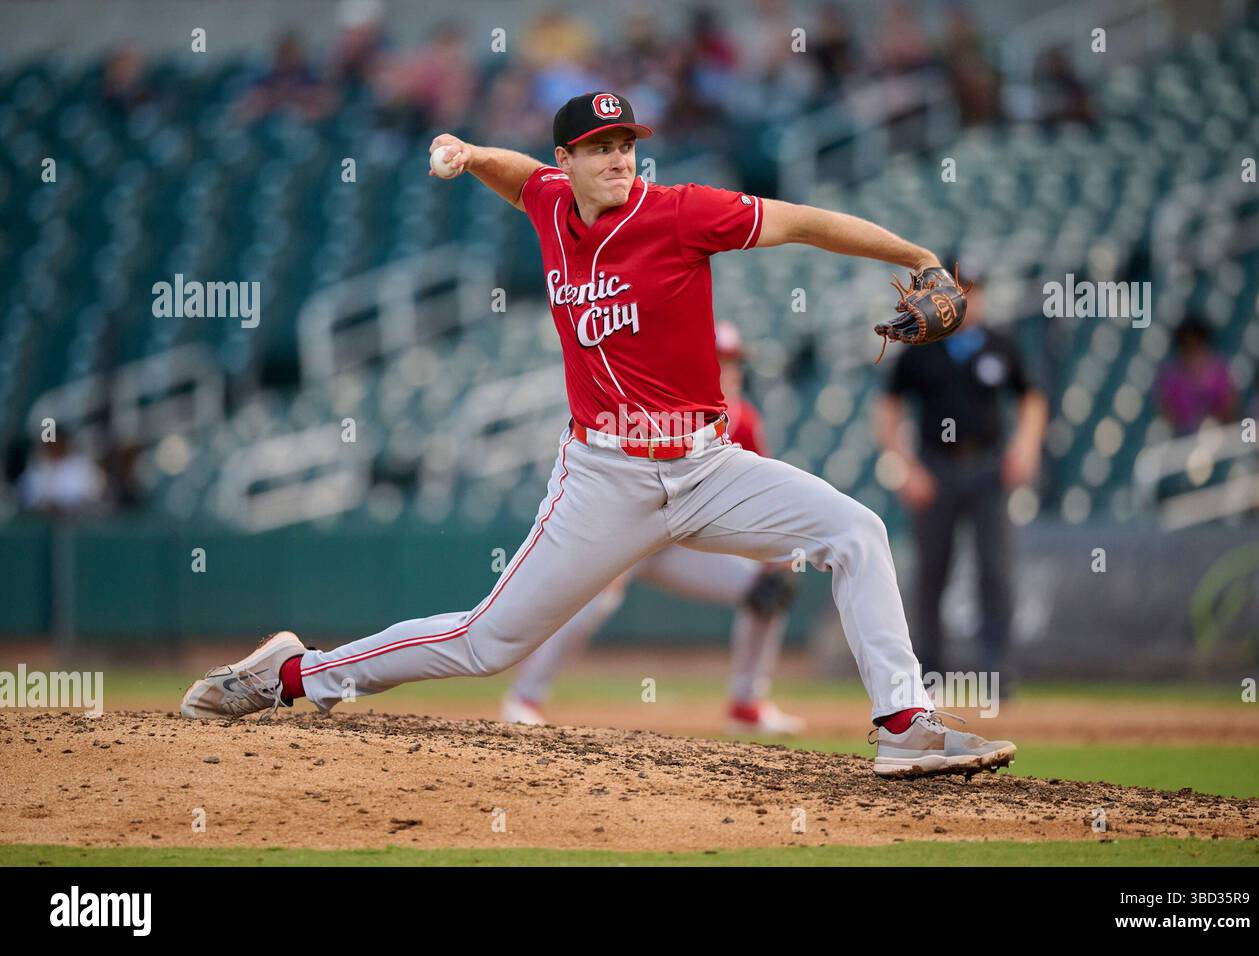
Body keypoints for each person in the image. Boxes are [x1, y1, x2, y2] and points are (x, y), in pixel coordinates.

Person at [181, 91, 1016, 777]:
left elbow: (800, 220)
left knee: (856, 530)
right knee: (484, 643)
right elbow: (519, 179)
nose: (620, 158)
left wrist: (916, 255)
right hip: (605, 476)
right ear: (569, 162)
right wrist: (472, 156)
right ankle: (290, 676)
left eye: (627, 144)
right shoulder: (550, 201)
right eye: (600, 146)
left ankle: (904, 725)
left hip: (709, 465)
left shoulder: (683, 214)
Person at [501, 321, 805, 736]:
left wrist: (776, 556)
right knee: (594, 601)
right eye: (720, 361)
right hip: (629, 534)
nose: (729, 371)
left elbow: (756, 498)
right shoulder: (660, 405)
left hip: (683, 544)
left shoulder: (744, 420)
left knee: (769, 587)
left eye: (733, 362)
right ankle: (524, 697)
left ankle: (747, 704)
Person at [876, 277, 1047, 688]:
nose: (967, 298)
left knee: (995, 570)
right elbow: (888, 409)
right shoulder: (921, 346)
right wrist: (907, 468)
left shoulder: (999, 343)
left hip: (988, 468)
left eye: (974, 290)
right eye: (959, 290)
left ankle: (998, 675)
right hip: (935, 470)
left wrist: (1026, 446)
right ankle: (926, 675)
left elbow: (1031, 397)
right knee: (932, 571)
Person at [1156, 315, 1237, 436]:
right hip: (1184, 443)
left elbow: (1231, 409)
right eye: (1187, 347)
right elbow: (1168, 415)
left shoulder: (1220, 372)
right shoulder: (1171, 379)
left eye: (1197, 345)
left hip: (1221, 439)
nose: (1193, 352)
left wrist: (1213, 422)